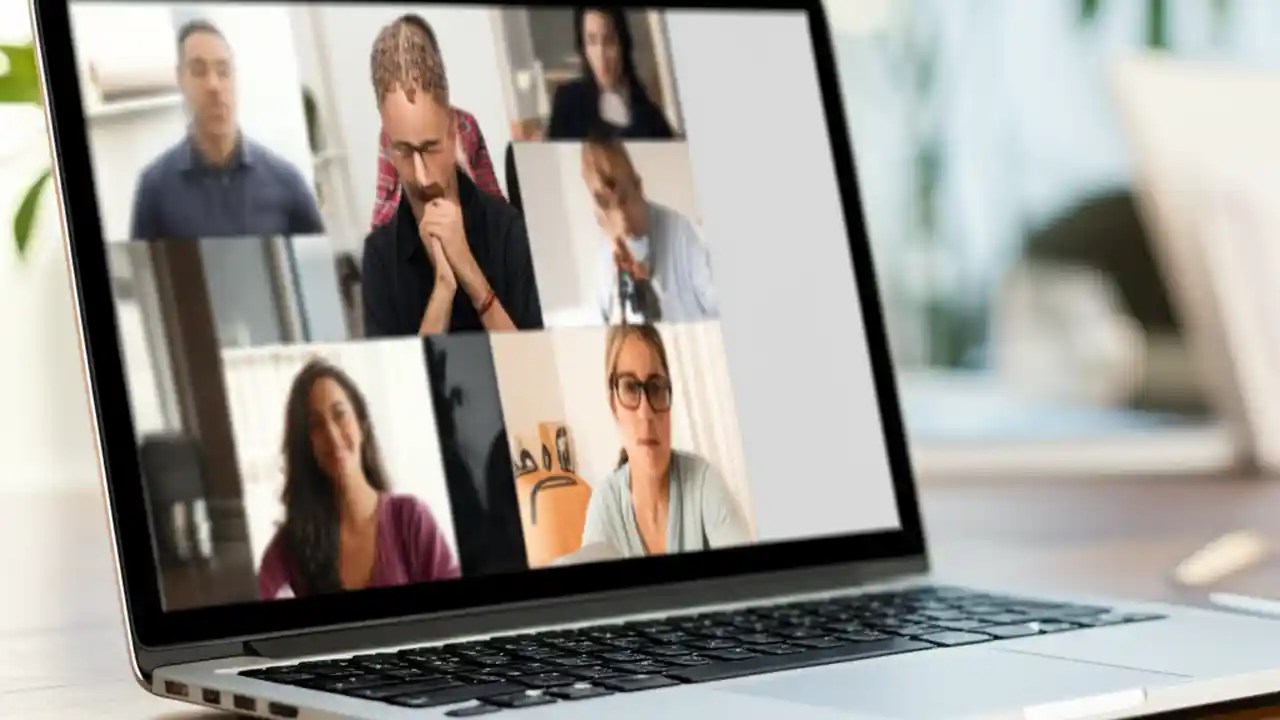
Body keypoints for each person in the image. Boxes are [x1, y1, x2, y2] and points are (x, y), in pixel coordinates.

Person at [362, 14, 544, 336]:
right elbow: (403, 384)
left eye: (430, 148)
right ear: (388, 146)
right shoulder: (379, 257)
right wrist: (443, 289)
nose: (422, 177)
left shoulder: (507, 232)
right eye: (404, 151)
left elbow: (535, 370)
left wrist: (469, 273)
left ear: (453, 132)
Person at [258, 359, 460, 599]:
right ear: (305, 446)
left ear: (361, 422)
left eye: (339, 414)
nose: (332, 435)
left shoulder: (410, 519)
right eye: (316, 425)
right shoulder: (290, 547)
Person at [130, 20, 324, 239]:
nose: (214, 85)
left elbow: (318, 268)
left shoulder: (287, 182)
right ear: (180, 78)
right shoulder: (155, 188)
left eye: (223, 71)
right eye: (199, 71)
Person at [581, 325, 751, 557]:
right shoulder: (604, 506)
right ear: (613, 404)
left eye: (656, 388)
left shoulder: (703, 483)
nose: (646, 413)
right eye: (630, 387)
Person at [369, 15, 504, 228]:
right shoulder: (390, 136)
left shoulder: (466, 124)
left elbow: (496, 202)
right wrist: (410, 190)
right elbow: (379, 219)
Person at [581, 135, 717, 324]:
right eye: (607, 206)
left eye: (624, 200)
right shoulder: (603, 264)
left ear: (638, 186)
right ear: (598, 216)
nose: (622, 219)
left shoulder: (683, 233)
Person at [545, 7, 675, 140]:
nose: (601, 55)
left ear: (622, 45)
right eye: (592, 42)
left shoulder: (651, 117)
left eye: (609, 41)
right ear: (583, 48)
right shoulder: (568, 103)